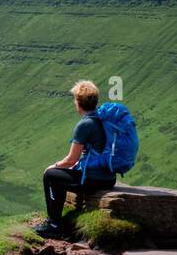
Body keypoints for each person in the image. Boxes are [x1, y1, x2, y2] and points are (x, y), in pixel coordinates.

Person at [33, 80, 117, 237]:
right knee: (60, 175)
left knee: (51, 175)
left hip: (94, 180)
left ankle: (54, 224)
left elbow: (71, 159)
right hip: (109, 178)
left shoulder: (85, 125)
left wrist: (54, 166)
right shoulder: (103, 119)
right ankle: (56, 221)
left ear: (78, 102)